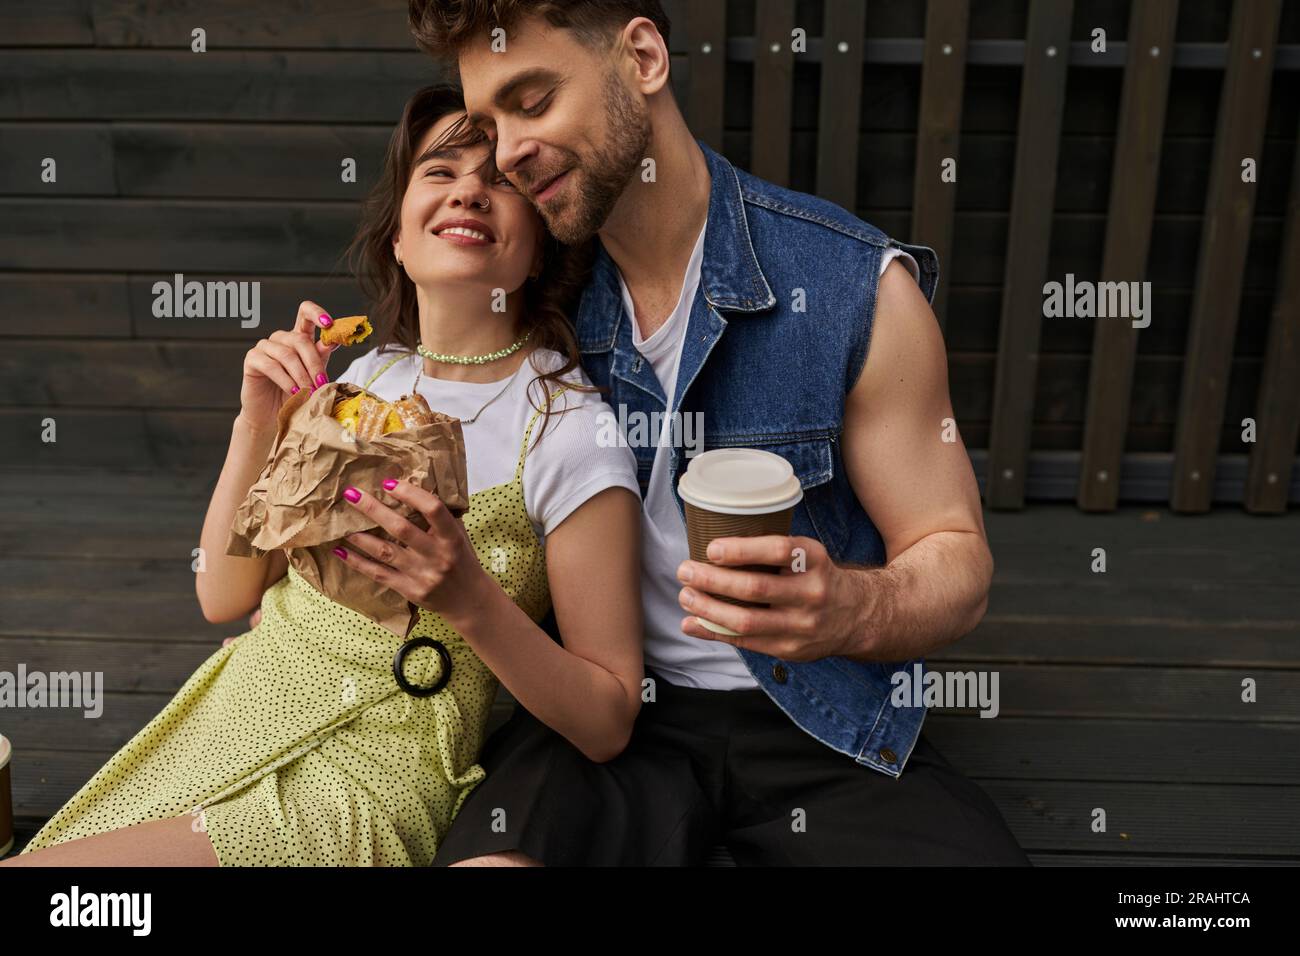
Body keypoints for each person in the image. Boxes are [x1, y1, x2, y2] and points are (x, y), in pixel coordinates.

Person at [407, 1, 1032, 866]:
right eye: (489, 122)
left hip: (820, 725)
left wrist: (847, 607)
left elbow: (956, 560)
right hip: (612, 726)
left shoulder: (852, 287)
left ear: (644, 57)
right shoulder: (531, 293)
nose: (506, 151)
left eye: (534, 100)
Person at [4, 84, 644, 867]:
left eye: (502, 179)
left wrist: (468, 599)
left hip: (367, 772)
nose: (471, 189)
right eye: (439, 172)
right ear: (399, 241)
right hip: (233, 715)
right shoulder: (361, 383)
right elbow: (225, 594)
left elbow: (610, 719)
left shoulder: (569, 428)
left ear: (540, 244)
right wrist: (259, 422)